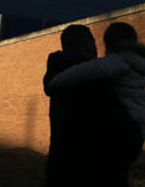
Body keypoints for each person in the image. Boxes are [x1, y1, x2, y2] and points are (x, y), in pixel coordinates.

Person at [46, 21, 145, 187]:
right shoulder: (95, 82)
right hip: (97, 174)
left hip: (64, 171)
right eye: (93, 42)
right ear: (86, 46)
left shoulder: (65, 80)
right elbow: (121, 138)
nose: (97, 49)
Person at [43, 24, 103, 187]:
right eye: (92, 41)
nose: (95, 46)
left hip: (59, 161)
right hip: (88, 164)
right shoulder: (92, 77)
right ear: (85, 44)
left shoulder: (58, 74)